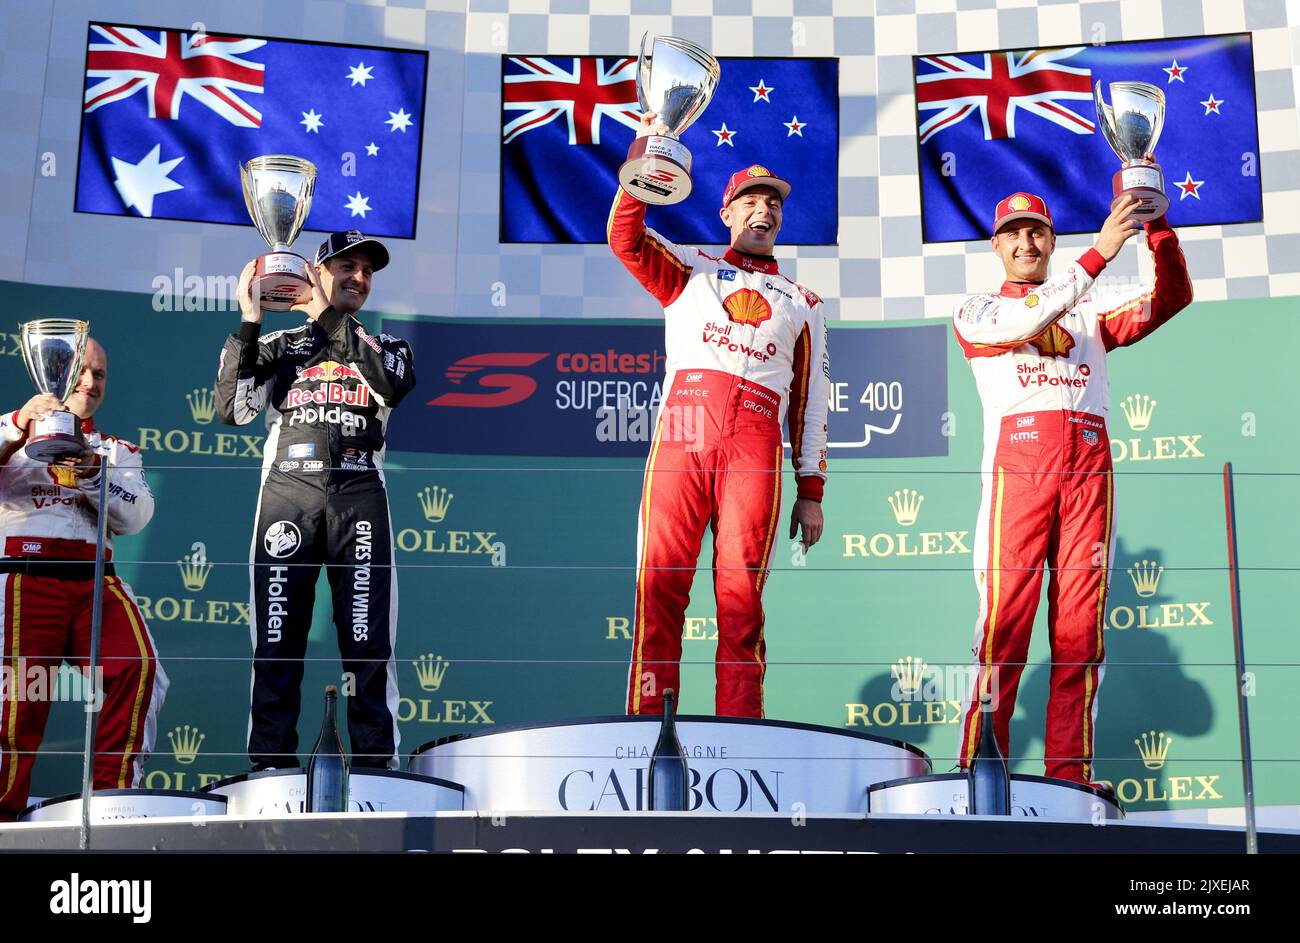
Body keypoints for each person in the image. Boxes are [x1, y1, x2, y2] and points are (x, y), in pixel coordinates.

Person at [952, 189, 1192, 784]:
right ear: (997, 245)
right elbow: (1027, 320)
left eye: (1036, 233)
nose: (1026, 243)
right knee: (1004, 626)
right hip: (1019, 469)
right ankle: (978, 771)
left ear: (1051, 241)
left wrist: (1156, 224)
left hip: (1090, 468)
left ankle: (1070, 776)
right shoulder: (977, 310)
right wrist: (1102, 252)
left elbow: (1173, 298)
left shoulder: (1090, 311)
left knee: (1080, 632)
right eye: (1013, 233)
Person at [610, 113, 830, 719]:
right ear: (727, 212)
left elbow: (810, 404)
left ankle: (742, 727)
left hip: (757, 443)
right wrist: (648, 155)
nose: (765, 211)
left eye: (775, 205)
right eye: (751, 201)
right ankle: (648, 725)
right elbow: (625, 239)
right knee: (662, 585)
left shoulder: (806, 303)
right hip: (684, 430)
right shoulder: (690, 267)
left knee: (741, 599)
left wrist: (811, 489)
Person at [216, 230, 415, 770]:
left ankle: (377, 769)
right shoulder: (277, 348)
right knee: (277, 643)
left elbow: (393, 387)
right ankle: (270, 767)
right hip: (287, 499)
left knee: (368, 648)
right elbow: (232, 411)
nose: (359, 278)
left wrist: (328, 316)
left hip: (361, 501)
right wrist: (250, 322)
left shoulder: (388, 349)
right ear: (317, 273)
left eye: (368, 272)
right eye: (346, 267)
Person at [0, 339, 167, 820]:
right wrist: (17, 426)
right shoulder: (13, 431)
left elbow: (135, 516)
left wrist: (94, 471)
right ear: (55, 371)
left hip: (95, 577)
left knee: (138, 667)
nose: (92, 384)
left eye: (101, 375)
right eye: (82, 372)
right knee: (15, 701)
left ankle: (112, 804)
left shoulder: (116, 450)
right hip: (23, 576)